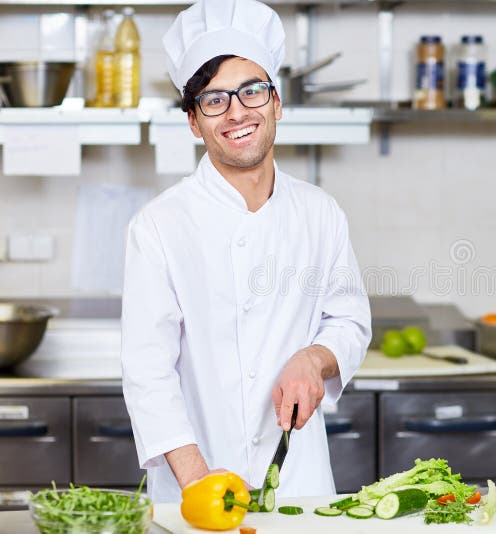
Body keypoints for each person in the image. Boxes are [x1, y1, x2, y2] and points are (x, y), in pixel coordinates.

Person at [120, 0, 371, 503]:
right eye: (214, 100)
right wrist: (199, 484)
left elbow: (349, 321)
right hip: (195, 490)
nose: (237, 112)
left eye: (252, 91)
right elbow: (148, 371)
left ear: (276, 103)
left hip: (300, 482)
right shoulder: (160, 225)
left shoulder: (320, 212)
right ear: (194, 122)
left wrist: (312, 357)